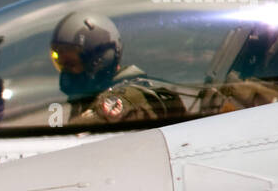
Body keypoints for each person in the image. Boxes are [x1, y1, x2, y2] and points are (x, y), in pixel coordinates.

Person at [49, 12, 184, 125]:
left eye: (71, 63)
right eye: (60, 63)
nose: (66, 74)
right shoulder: (86, 99)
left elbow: (89, 124)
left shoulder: (129, 97)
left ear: (100, 61)